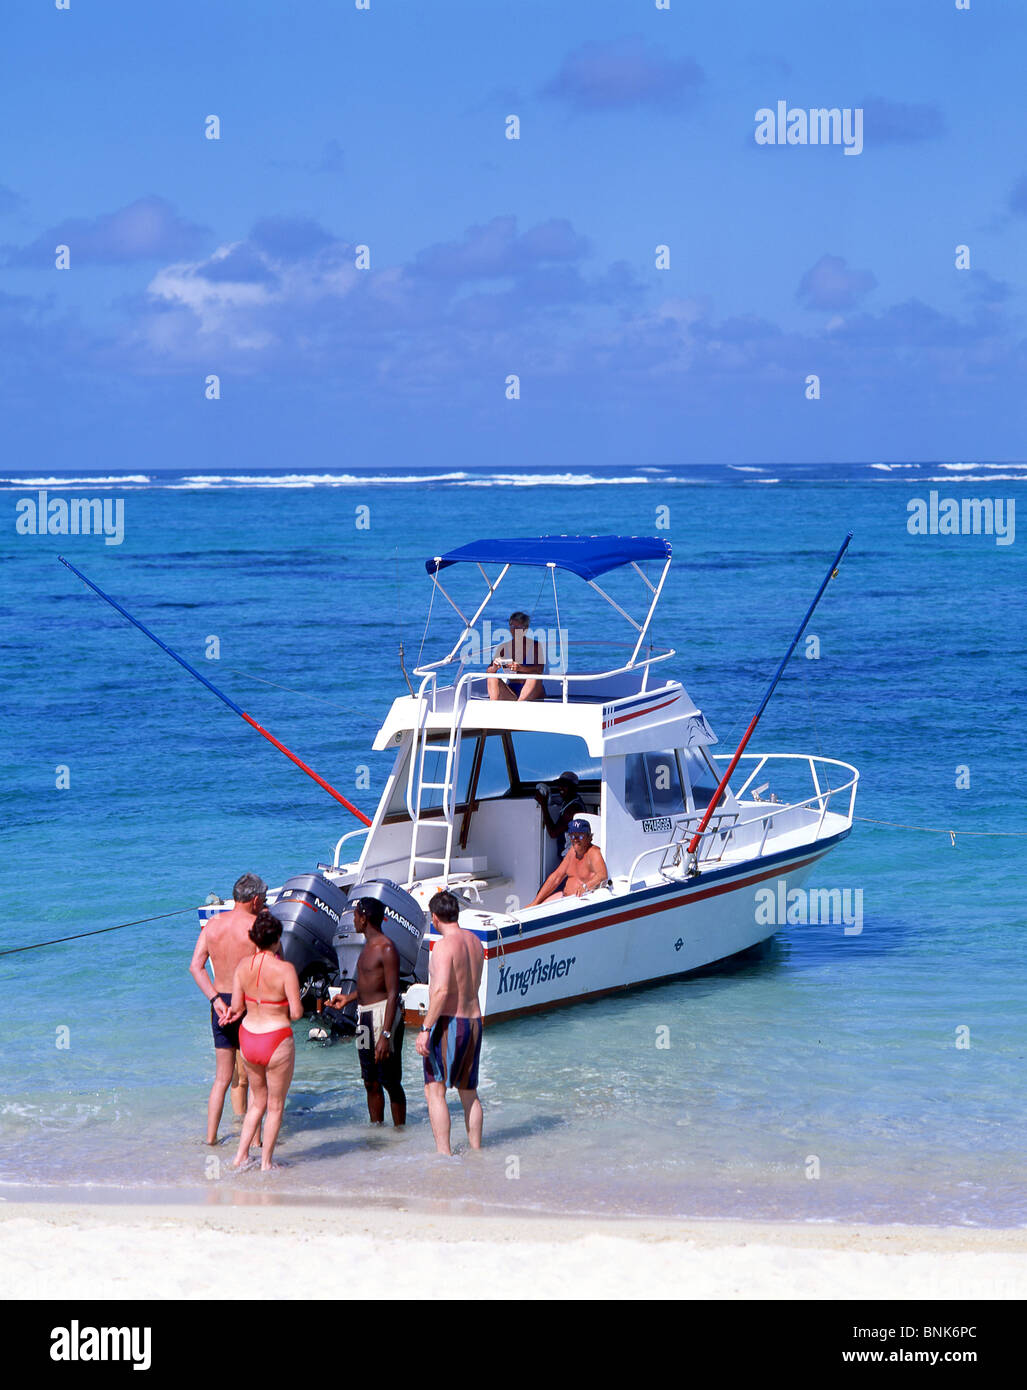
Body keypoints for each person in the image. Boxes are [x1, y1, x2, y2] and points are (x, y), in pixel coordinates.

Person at [188, 871, 267, 1145]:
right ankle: (255, 1142)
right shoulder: (256, 926)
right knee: (256, 1080)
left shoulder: (212, 925)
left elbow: (195, 967)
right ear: (255, 900)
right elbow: (262, 971)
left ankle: (210, 1139)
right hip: (247, 1007)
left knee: (222, 1079)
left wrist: (216, 1000)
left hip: (220, 1006)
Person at [226, 909, 303, 1171]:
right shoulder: (285, 969)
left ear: (254, 939)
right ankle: (266, 1162)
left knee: (257, 1102)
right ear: (278, 939)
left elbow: (237, 1006)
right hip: (276, 1038)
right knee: (275, 1105)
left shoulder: (241, 967)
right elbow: (296, 1012)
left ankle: (240, 1156)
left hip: (248, 1037)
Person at [415, 890, 484, 1156]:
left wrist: (425, 1029)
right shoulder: (475, 943)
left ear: (434, 917)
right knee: (469, 1093)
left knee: (435, 1090)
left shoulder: (444, 946)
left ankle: (444, 1156)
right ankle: (477, 1153)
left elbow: (442, 991)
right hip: (474, 1021)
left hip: (449, 1023)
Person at [331, 898, 406, 1126]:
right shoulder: (366, 946)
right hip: (363, 1017)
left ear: (364, 918)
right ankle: (377, 1132)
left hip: (383, 1017)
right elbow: (370, 985)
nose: (353, 919)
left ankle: (399, 1134)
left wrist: (385, 1035)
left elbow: (393, 993)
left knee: (390, 1080)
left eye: (355, 915)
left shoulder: (386, 947)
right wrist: (349, 998)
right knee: (369, 1080)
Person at [527, 819, 609, 905]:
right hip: (565, 898)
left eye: (580, 836)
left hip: (580, 903)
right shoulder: (572, 851)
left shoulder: (593, 852)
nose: (576, 840)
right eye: (573, 836)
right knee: (535, 908)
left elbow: (602, 875)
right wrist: (535, 903)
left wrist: (586, 887)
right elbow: (556, 877)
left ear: (590, 837)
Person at [487, 610, 545, 701]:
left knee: (533, 676)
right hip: (512, 691)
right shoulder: (504, 647)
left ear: (525, 629)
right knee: (491, 676)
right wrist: (494, 667)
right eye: (513, 626)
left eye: (518, 627)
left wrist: (520, 668)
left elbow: (539, 669)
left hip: (532, 689)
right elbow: (489, 670)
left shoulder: (535, 646)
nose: (514, 630)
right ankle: (493, 706)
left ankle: (518, 707)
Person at [534, 771, 586, 857]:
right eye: (559, 785)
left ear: (574, 788)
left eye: (565, 785)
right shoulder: (571, 800)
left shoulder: (572, 809)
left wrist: (543, 805)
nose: (560, 788)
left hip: (571, 856)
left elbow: (553, 833)